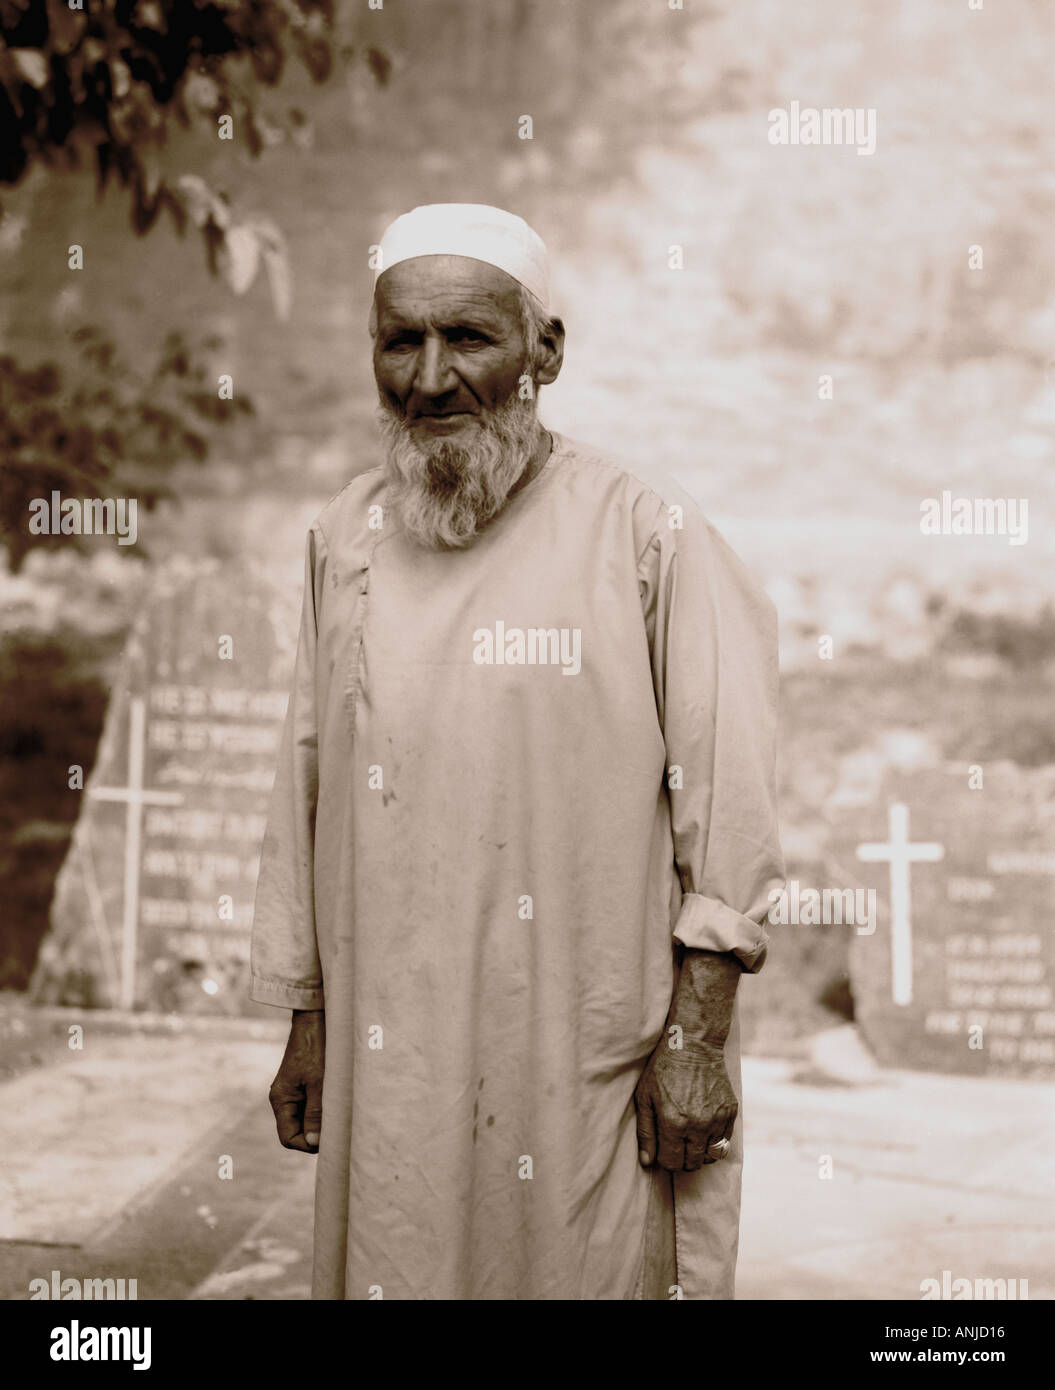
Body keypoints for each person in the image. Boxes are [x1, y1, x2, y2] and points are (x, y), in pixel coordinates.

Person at [250, 203, 785, 1300]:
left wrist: (694, 1034)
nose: (431, 378)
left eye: (470, 339)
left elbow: (727, 792)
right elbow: (304, 790)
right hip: (389, 1047)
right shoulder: (344, 535)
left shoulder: (646, 534)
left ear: (545, 349)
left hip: (585, 1035)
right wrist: (307, 1019)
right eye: (401, 341)